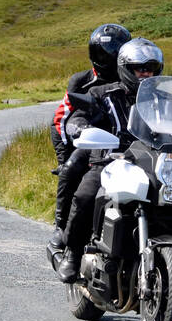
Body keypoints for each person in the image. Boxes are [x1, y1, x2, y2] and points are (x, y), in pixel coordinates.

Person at [53, 38, 164, 283]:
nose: (145, 73)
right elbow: (76, 117)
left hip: (152, 162)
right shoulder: (102, 93)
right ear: (126, 68)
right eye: (139, 68)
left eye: (150, 68)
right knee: (85, 196)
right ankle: (72, 252)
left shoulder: (164, 99)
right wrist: (80, 128)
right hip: (110, 161)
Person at [46, 24, 130, 257]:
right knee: (71, 169)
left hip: (129, 142)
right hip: (92, 140)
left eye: (114, 52)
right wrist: (63, 157)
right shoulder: (81, 81)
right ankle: (61, 227)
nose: (107, 57)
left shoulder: (133, 78)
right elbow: (60, 120)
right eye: (101, 52)